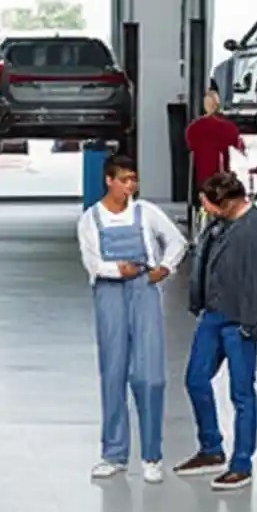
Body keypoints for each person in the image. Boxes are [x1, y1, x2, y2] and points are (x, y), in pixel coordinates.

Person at [76, 155, 188, 483]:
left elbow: (177, 242)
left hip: (144, 290)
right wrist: (116, 270)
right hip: (109, 292)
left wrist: (165, 268)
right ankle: (114, 453)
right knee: (113, 372)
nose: (131, 186)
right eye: (124, 179)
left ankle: (152, 455)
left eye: (133, 180)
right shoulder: (90, 219)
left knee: (151, 375)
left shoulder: (146, 212)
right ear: (109, 180)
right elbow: (92, 262)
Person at [174, 171, 257, 490]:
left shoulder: (254, 226)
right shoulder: (219, 222)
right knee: (196, 378)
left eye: (212, 205)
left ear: (230, 202)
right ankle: (211, 448)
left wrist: (249, 323)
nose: (207, 210)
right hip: (213, 314)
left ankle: (241, 463)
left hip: (239, 320)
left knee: (242, 393)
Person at [185, 91, 245, 229]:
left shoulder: (194, 127)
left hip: (200, 173)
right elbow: (238, 146)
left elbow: (190, 146)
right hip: (221, 173)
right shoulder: (227, 127)